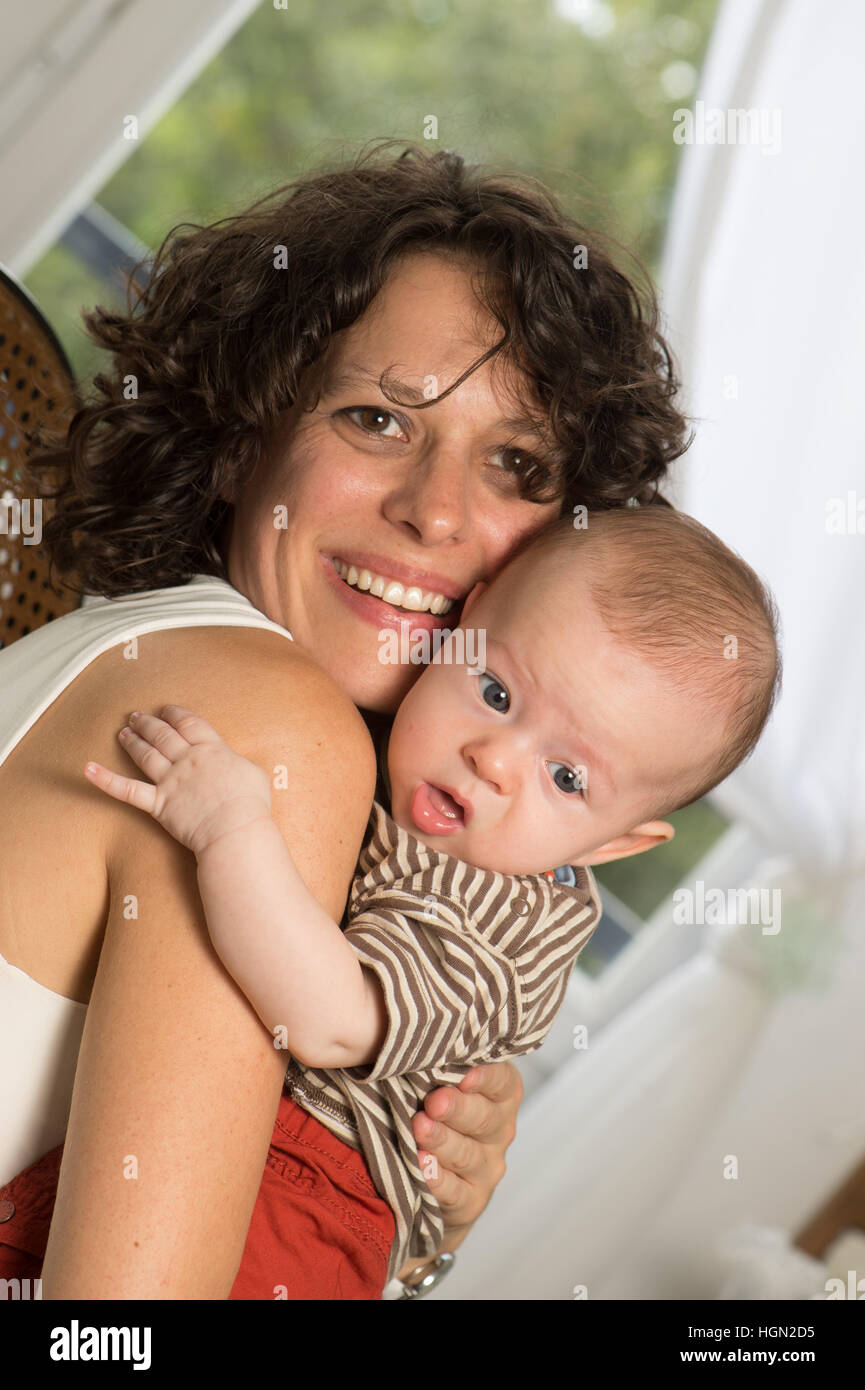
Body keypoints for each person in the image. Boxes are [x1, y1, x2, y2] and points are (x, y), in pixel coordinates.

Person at [0, 141, 690, 1298]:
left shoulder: (124, 645)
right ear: (238, 439)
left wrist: (406, 1183)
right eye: (377, 419)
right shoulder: (265, 725)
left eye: (516, 463)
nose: (435, 511)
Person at [79, 504, 781, 1294]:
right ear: (462, 625)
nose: (494, 762)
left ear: (612, 846)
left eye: (567, 778)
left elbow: (331, 1020)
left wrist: (228, 828)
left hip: (311, 1194)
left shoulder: (506, 925)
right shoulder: (363, 742)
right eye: (494, 690)